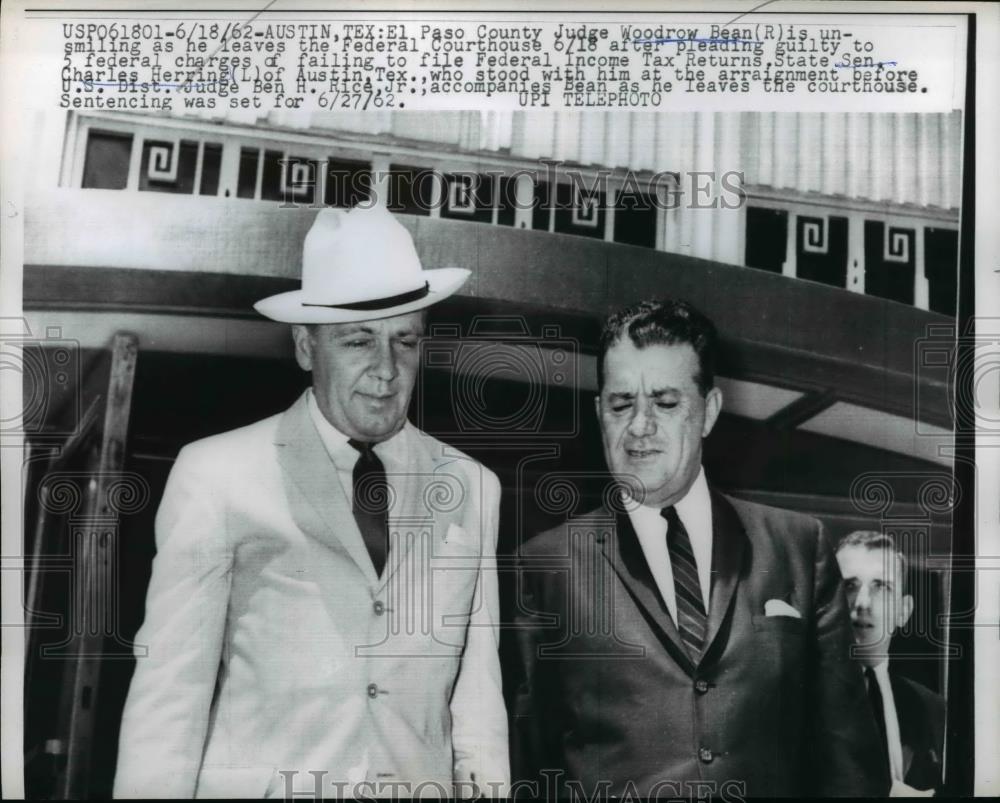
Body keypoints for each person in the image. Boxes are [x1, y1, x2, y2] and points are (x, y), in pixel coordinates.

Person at [114, 205, 509, 799]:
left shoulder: (473, 487)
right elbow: (169, 698)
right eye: (359, 341)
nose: (385, 369)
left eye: (405, 341)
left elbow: (478, 707)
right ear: (305, 347)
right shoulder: (217, 473)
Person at [512, 299, 888, 798]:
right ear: (599, 411)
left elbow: (848, 763)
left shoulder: (800, 546)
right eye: (622, 403)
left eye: (666, 403)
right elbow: (526, 765)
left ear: (709, 411)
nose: (640, 426)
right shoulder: (545, 566)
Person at [836, 531, 946, 796]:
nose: (862, 603)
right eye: (849, 585)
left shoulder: (934, 711)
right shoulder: (794, 697)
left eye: (881, 587)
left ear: (903, 612)